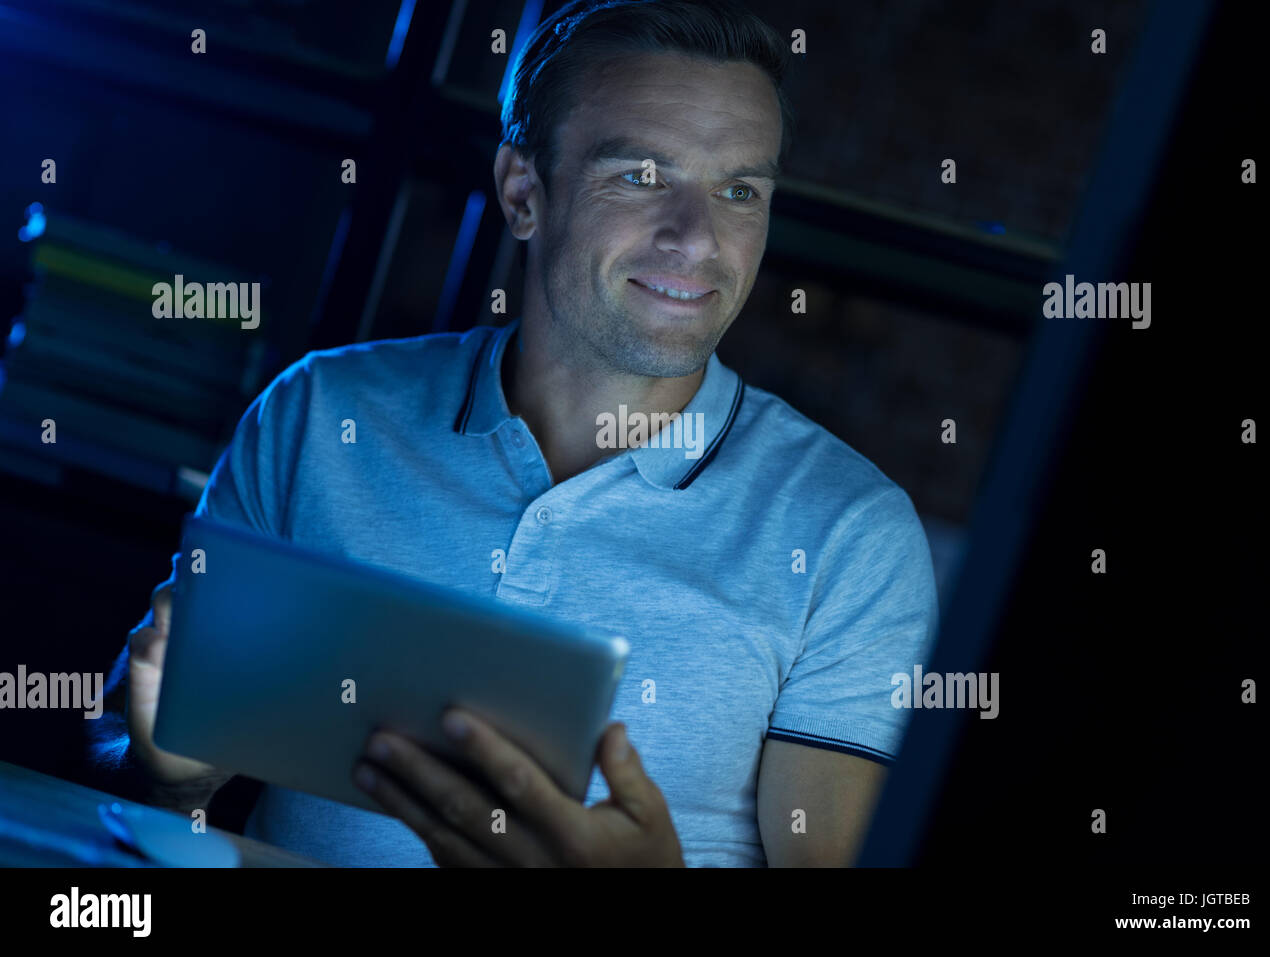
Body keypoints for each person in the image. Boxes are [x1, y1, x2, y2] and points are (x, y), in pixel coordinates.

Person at [89, 0, 939, 867]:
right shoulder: (320, 414)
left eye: (739, 190)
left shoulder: (850, 537)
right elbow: (129, 781)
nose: (697, 239)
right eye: (641, 176)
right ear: (523, 191)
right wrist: (172, 777)